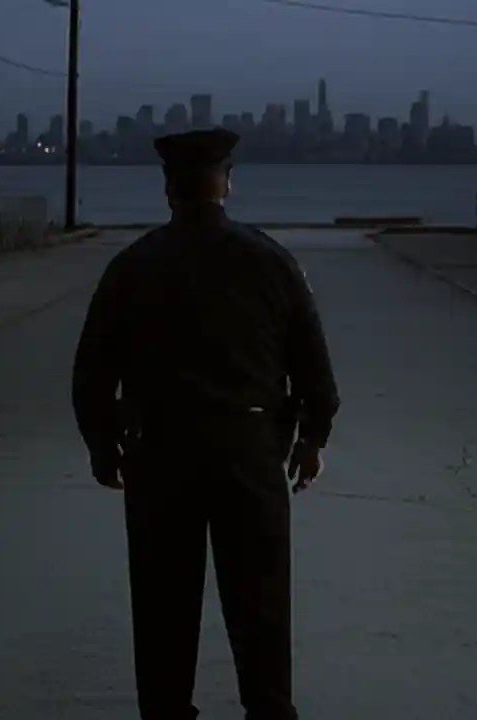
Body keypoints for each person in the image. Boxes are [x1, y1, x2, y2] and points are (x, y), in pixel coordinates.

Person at [71, 128, 340, 720]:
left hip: (161, 455)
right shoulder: (272, 261)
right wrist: (311, 439)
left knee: (163, 611)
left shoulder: (132, 266)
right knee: (261, 609)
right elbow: (315, 370)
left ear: (168, 189)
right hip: (249, 452)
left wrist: (103, 448)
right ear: (228, 184)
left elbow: (91, 373)